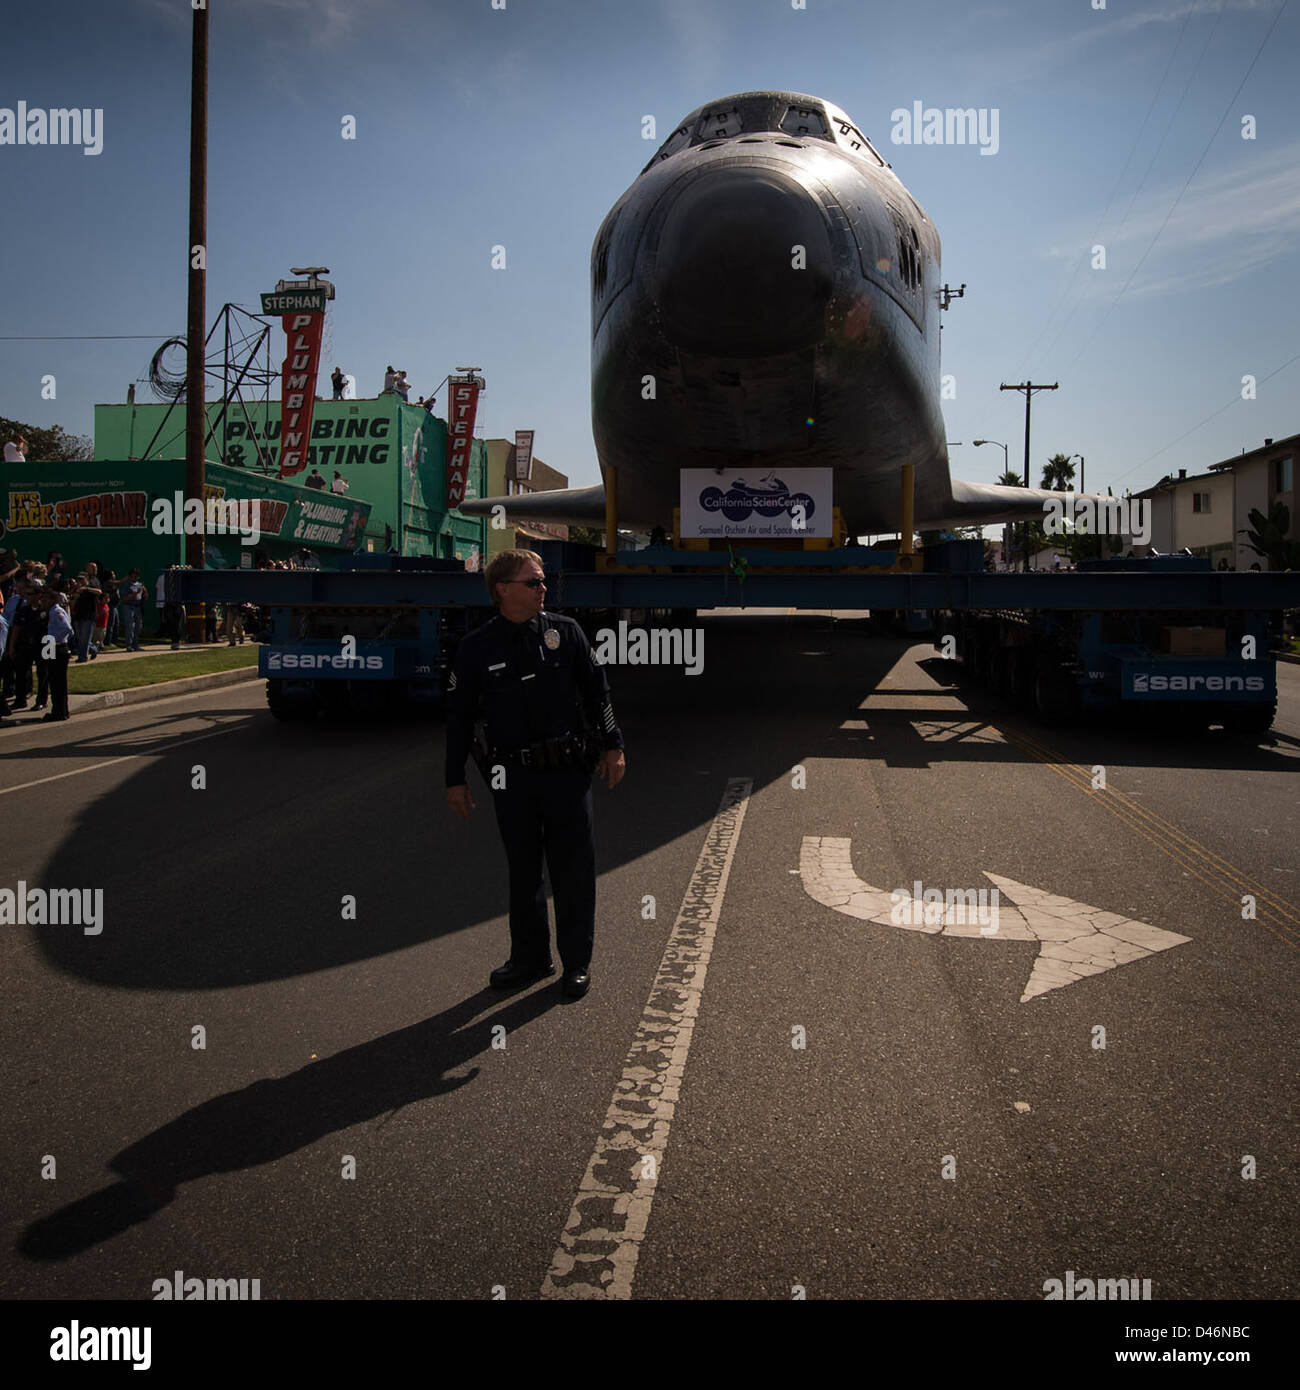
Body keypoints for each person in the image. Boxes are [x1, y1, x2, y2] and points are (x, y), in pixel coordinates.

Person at [445, 549, 626, 1000]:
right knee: (524, 871)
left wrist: (614, 745)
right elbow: (460, 719)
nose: (544, 588)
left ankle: (576, 963)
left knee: (573, 870)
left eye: (544, 581)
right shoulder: (475, 648)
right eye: (534, 582)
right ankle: (530, 959)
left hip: (567, 772)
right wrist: (454, 777)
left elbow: (597, 691)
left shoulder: (565, 633)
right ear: (503, 590)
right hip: (512, 777)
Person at [38, 589, 72, 721]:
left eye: (46, 598)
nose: (43, 601)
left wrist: (55, 640)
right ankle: (59, 710)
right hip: (49, 646)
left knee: (58, 681)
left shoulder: (56, 612)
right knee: (51, 678)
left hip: (56, 647)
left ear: (53, 600)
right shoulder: (49, 612)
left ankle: (60, 711)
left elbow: (67, 629)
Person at [119, 568, 145, 650]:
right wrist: (135, 594)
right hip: (129, 606)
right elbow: (124, 598)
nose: (135, 577)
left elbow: (144, 595)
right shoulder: (127, 585)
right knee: (130, 626)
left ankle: (135, 644)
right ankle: (128, 645)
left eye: (136, 576)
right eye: (133, 576)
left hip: (138, 606)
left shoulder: (140, 585)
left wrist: (144, 593)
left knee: (138, 626)